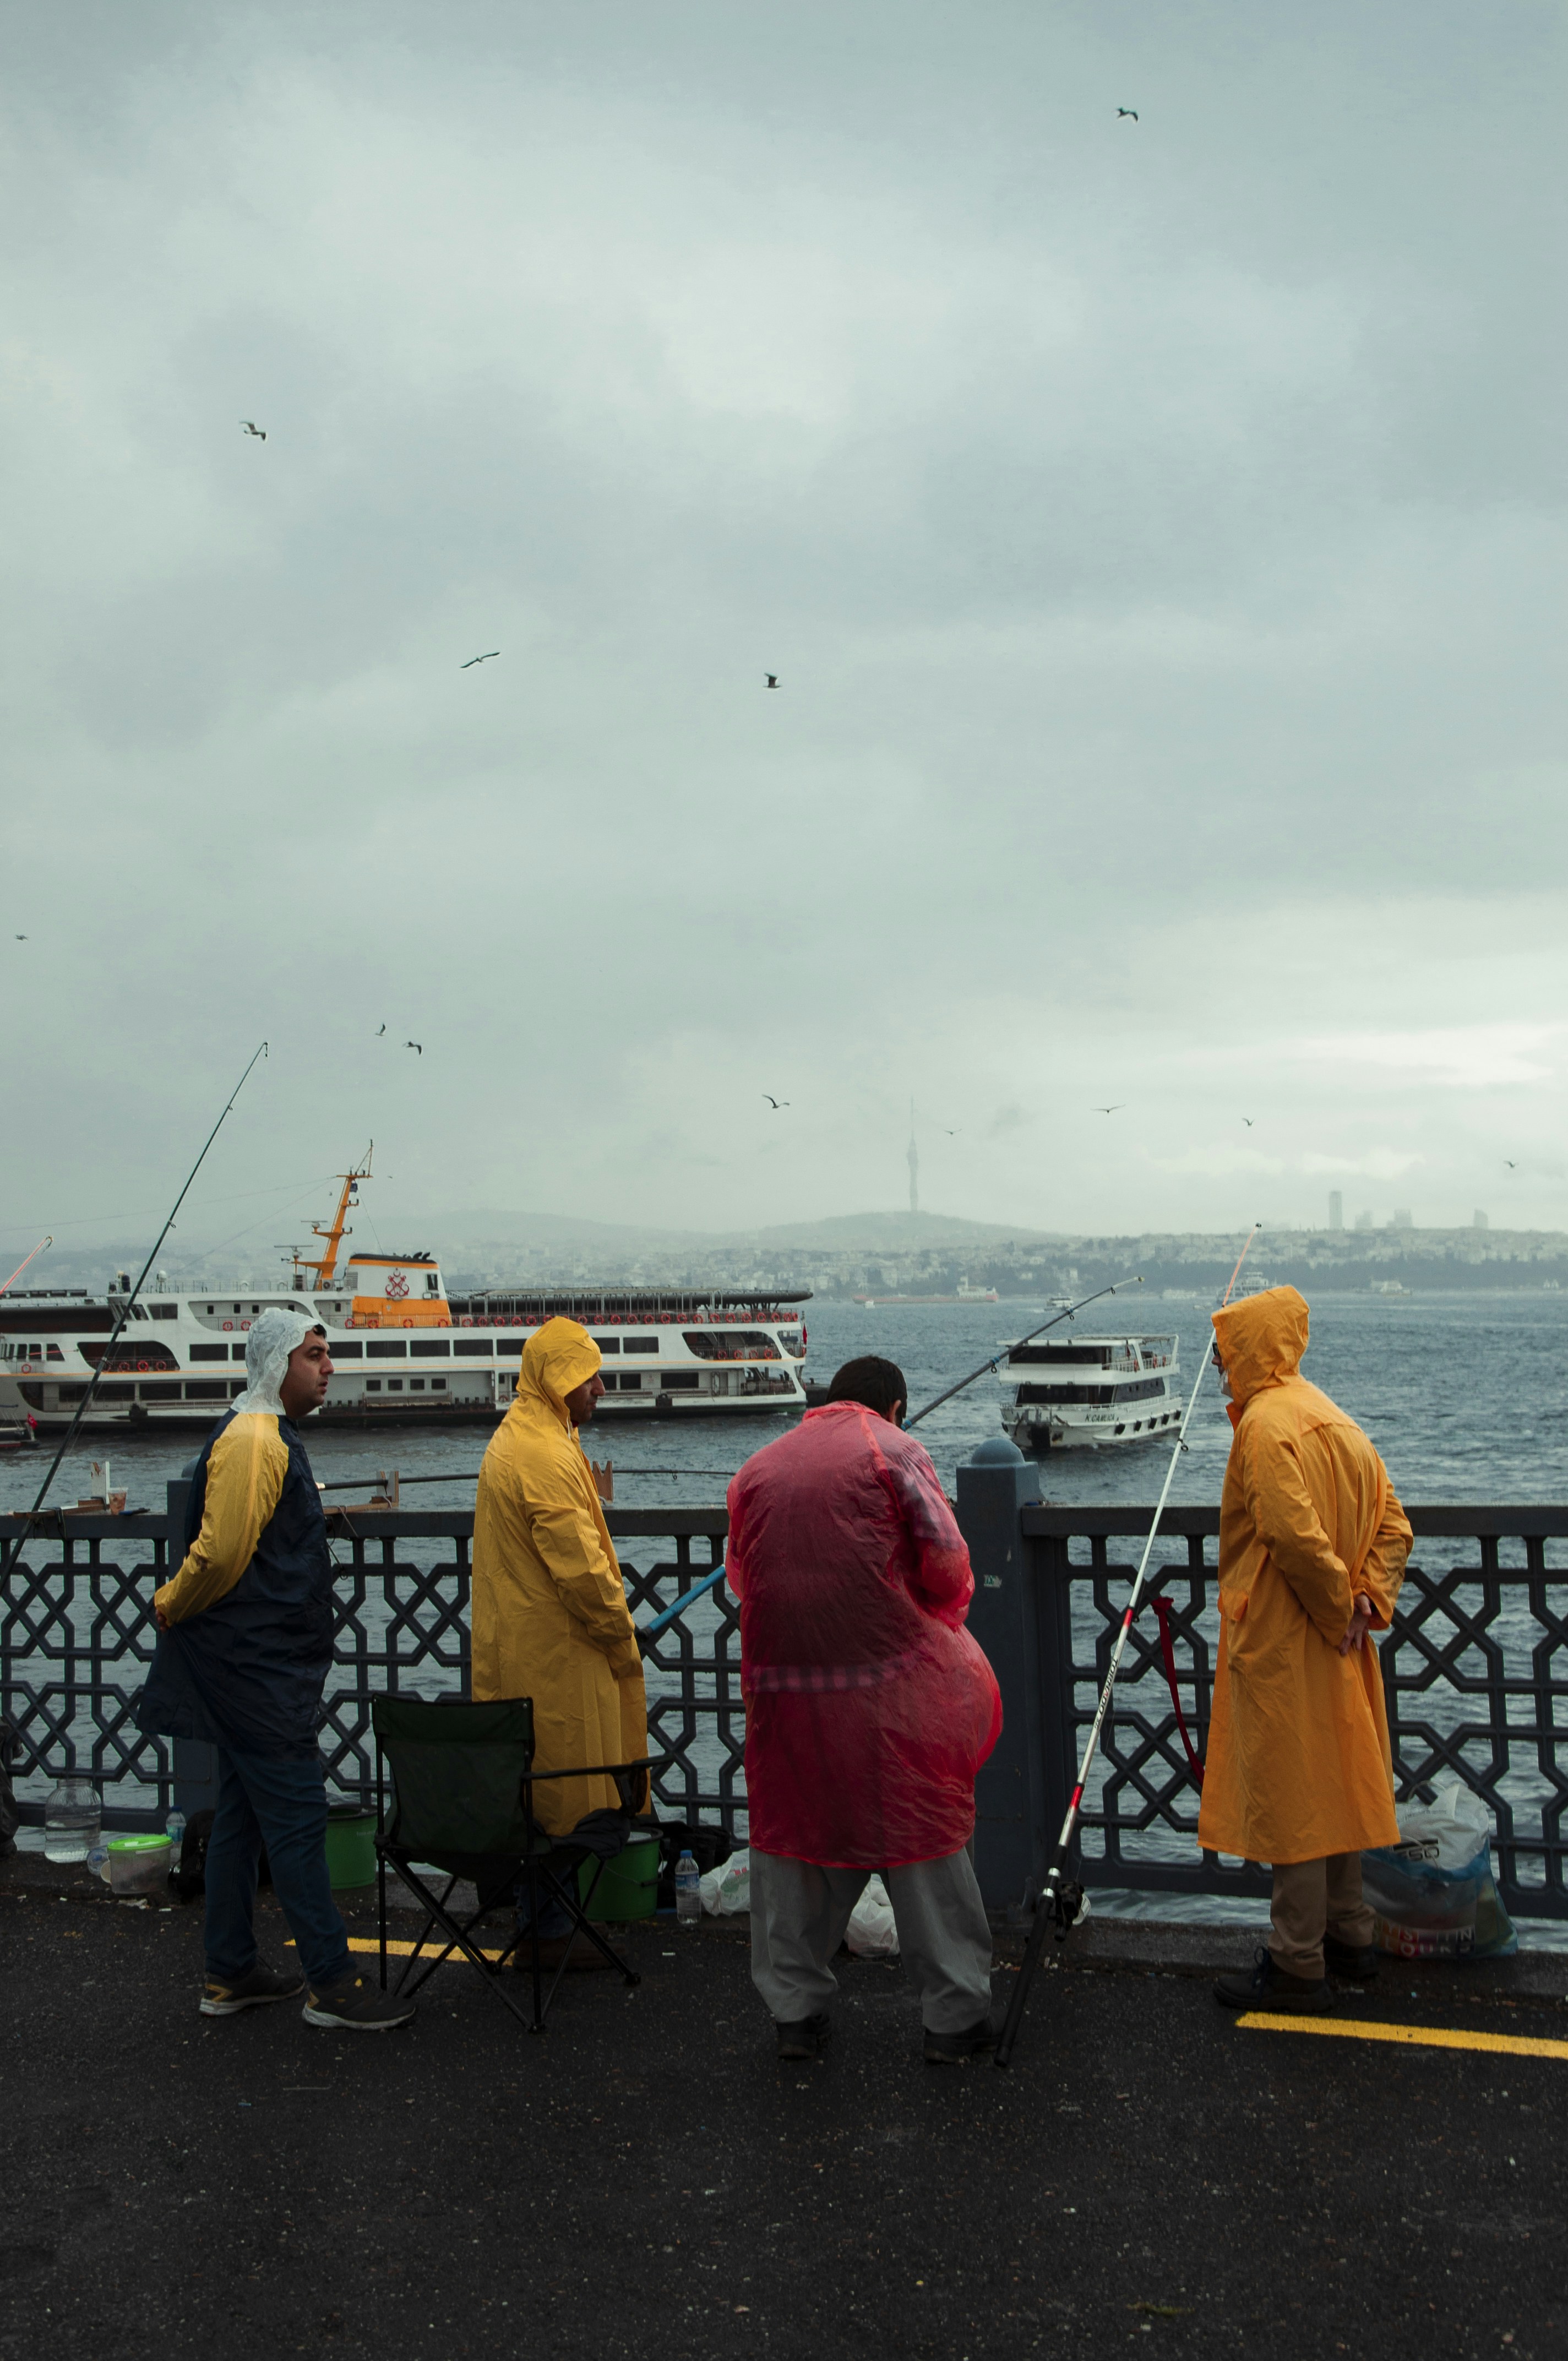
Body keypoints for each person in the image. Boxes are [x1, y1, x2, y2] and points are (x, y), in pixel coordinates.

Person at [136, 1308, 414, 2030]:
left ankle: (228, 1973)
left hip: (245, 1662)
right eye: (314, 1354)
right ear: (275, 1364)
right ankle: (331, 1981)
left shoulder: (257, 1435)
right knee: (296, 1813)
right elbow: (223, 1554)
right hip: (254, 1667)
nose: (329, 1367)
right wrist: (170, 1600)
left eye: (328, 1354)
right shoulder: (259, 1440)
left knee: (240, 1818)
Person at [725, 1355, 1004, 2065]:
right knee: (924, 1845)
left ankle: (796, 2016)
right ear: (898, 1404)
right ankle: (953, 2018)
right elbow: (947, 1565)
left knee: (798, 1851)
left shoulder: (756, 1469)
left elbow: (740, 1578)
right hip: (892, 1699)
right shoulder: (896, 1450)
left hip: (785, 1701)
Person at [1202, 1286, 1413, 2013]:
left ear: (1249, 1351)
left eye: (1225, 1354)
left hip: (1286, 1639)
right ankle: (1351, 1935)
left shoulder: (1264, 1426)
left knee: (1295, 1798)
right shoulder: (1334, 1417)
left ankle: (1297, 1960)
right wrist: (1366, 1599)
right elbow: (1395, 1527)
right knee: (1340, 1785)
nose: (1220, 1370)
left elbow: (1291, 1536)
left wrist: (1332, 1607)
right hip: (1342, 1644)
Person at [471, 1318, 649, 1971]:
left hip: (517, 1650)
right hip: (555, 1658)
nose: (599, 1388)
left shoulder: (519, 1437)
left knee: (537, 1795)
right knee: (563, 1798)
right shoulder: (544, 1455)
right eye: (586, 1378)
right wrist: (622, 1638)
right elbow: (581, 1570)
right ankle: (549, 1936)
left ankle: (545, 1927)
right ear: (554, 1380)